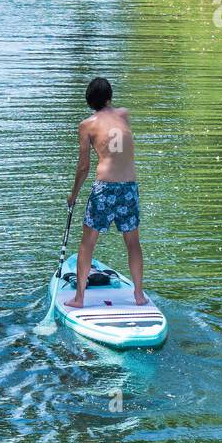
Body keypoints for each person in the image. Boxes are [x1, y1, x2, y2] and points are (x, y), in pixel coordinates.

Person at [64, 76, 145, 307]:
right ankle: (138, 295)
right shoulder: (123, 115)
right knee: (133, 242)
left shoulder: (87, 125)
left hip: (105, 188)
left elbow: (83, 167)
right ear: (110, 97)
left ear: (90, 102)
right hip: (129, 187)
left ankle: (79, 298)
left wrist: (74, 195)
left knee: (88, 242)